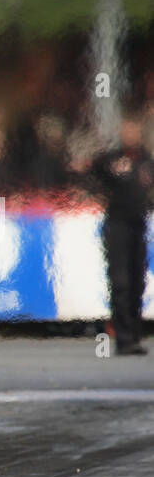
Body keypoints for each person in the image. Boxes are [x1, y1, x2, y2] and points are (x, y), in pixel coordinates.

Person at [88, 115, 153, 355]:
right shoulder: (110, 159)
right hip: (117, 224)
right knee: (121, 282)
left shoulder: (146, 160)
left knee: (137, 281)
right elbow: (89, 177)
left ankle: (134, 334)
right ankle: (123, 338)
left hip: (138, 224)